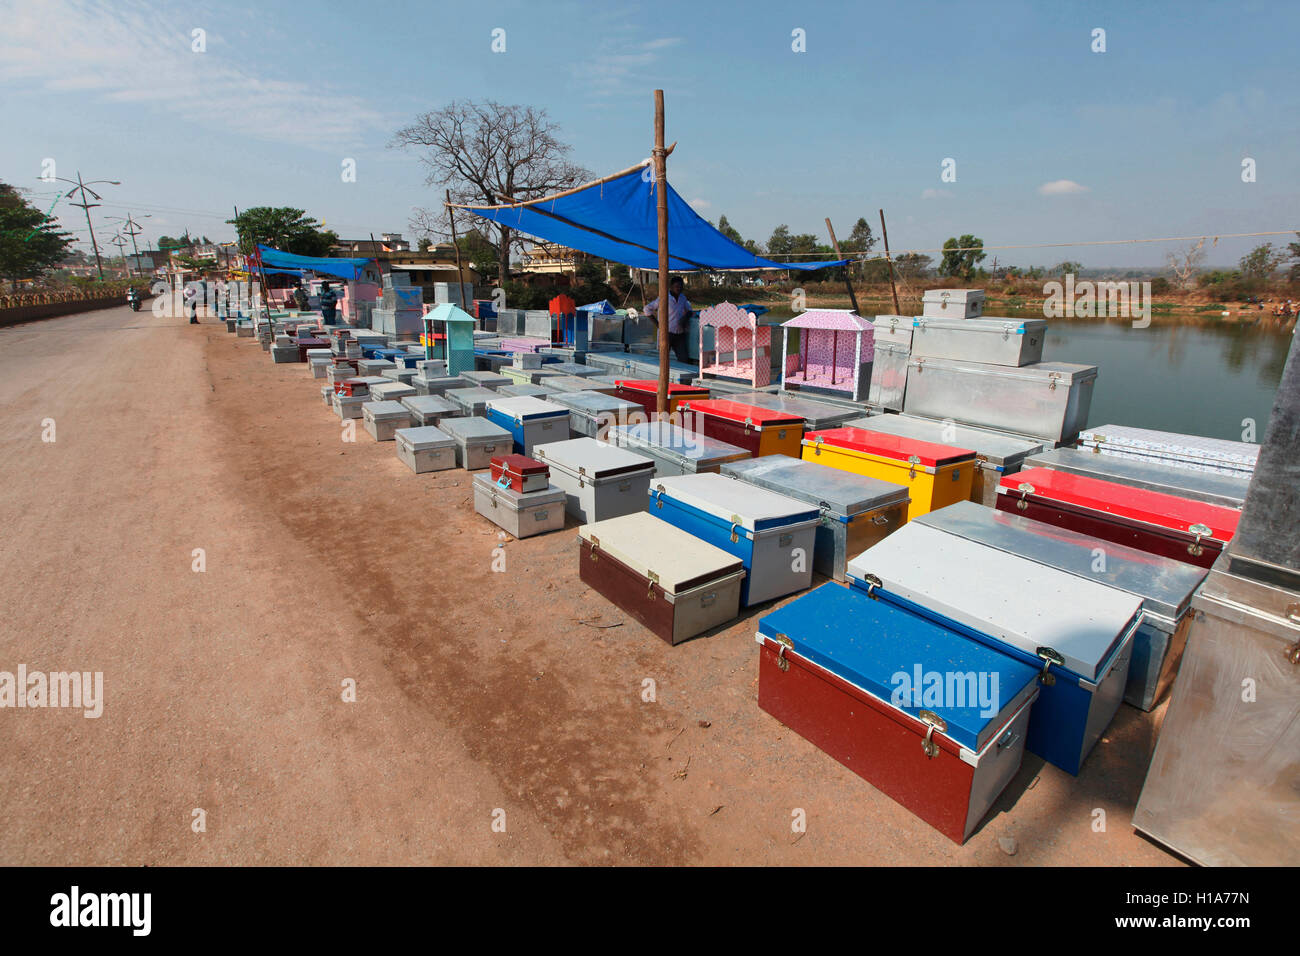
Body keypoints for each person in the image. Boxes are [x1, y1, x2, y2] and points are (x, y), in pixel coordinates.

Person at [644, 275, 693, 363]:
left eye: (681, 286)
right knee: (664, 360)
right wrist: (658, 325)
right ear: (671, 287)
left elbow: (690, 310)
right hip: (667, 334)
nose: (679, 288)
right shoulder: (664, 298)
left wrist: (685, 318)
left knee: (684, 359)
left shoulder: (682, 297)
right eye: (677, 286)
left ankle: (679, 376)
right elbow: (647, 309)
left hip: (680, 334)